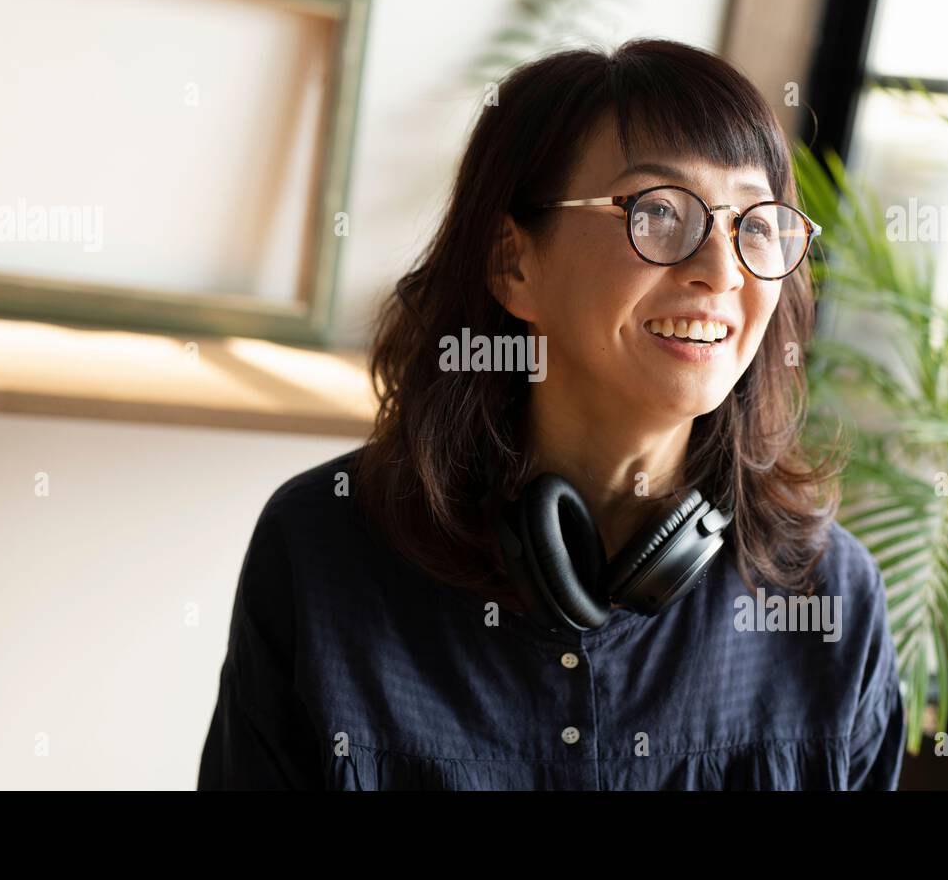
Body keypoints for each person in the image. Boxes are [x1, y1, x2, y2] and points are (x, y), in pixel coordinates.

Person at [197, 38, 906, 790]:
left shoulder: (829, 601)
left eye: (755, 224)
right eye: (660, 212)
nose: (722, 271)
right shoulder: (323, 552)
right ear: (514, 263)